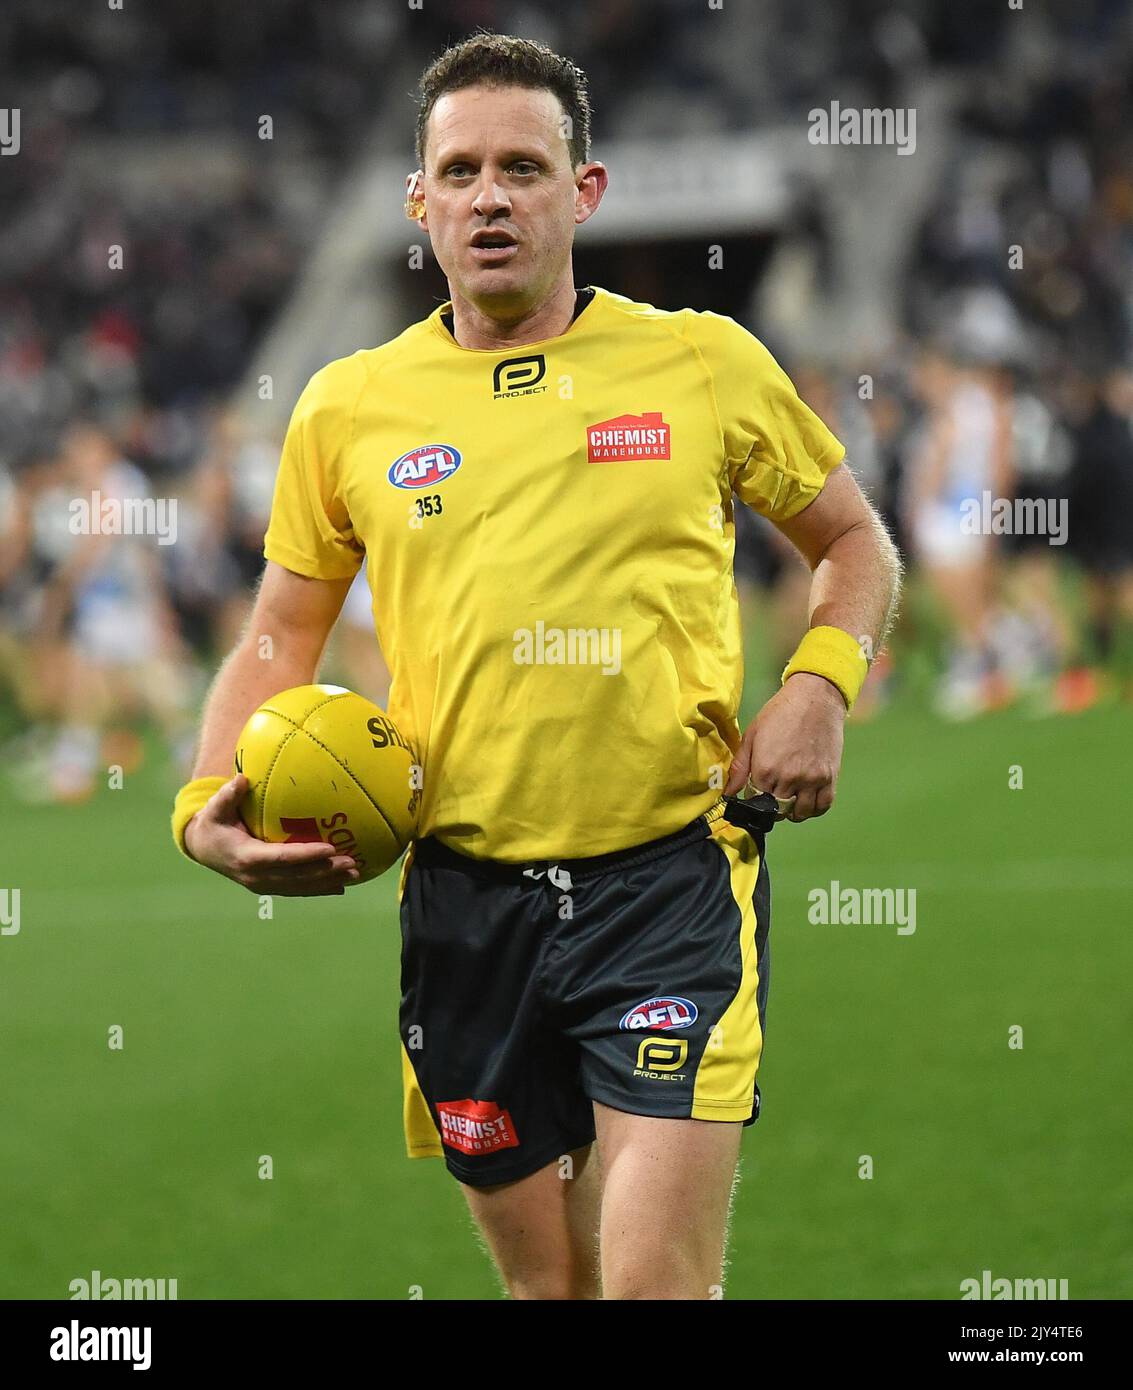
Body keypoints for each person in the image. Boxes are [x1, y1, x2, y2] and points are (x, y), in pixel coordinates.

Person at [171, 33, 901, 1300]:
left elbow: (852, 544)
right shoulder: (347, 406)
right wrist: (200, 815)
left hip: (670, 880)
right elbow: (278, 639)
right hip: (464, 906)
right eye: (459, 170)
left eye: (522, 166)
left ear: (585, 192)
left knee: (646, 1288)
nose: (490, 195)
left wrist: (816, 684)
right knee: (548, 1291)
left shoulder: (700, 361)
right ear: (419, 201)